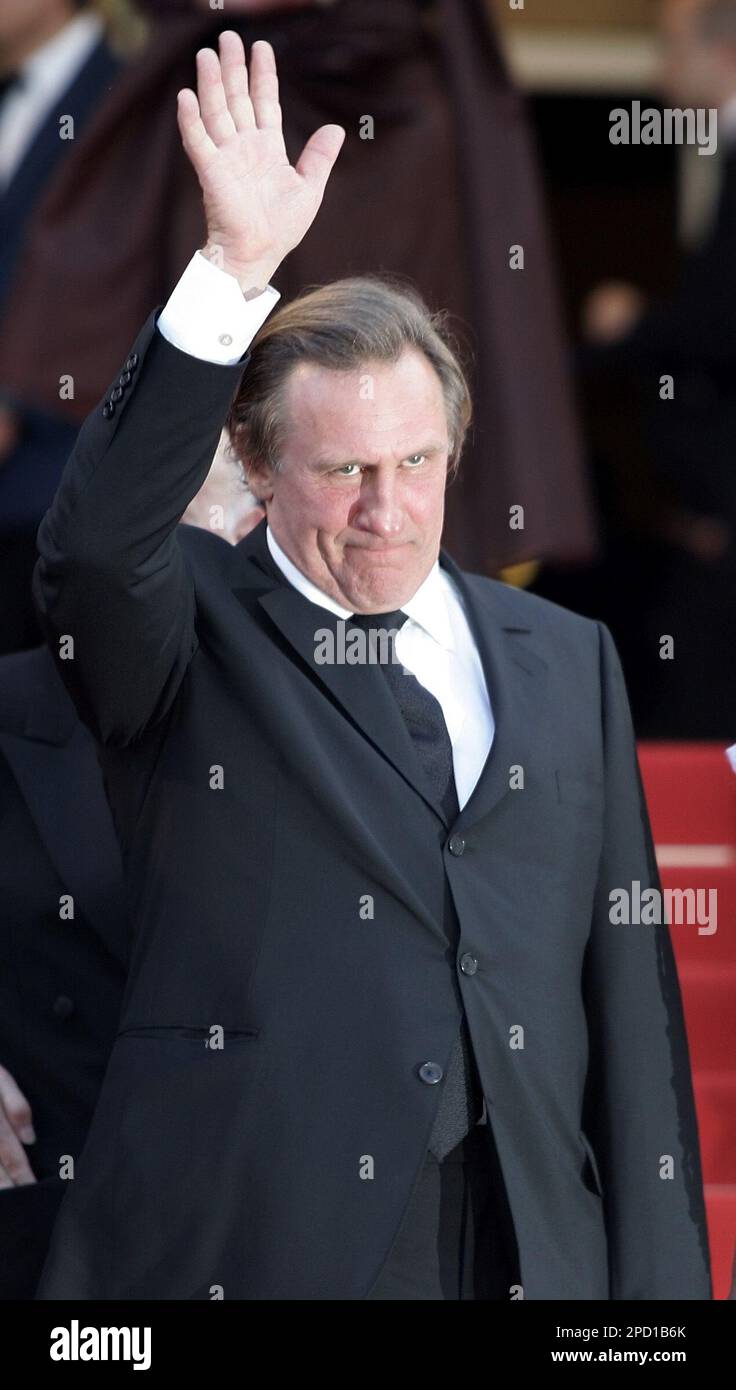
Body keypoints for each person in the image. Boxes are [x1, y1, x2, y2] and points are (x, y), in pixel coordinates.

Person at [33, 34, 710, 1300]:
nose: (383, 510)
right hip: (256, 1247)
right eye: (341, 471)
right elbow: (94, 554)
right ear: (260, 463)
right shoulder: (185, 634)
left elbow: (632, 1027)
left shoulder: (568, 660)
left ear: (457, 450)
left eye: (414, 465)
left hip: (522, 1251)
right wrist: (232, 272)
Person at [0, 439, 263, 1299]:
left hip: (268, 1225)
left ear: (250, 533)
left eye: (162, 529)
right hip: (55, 1224)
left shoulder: (318, 727)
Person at [583, 0, 736, 738]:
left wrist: (635, 326)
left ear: (726, 51)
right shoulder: (718, 153)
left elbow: (720, 322)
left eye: (673, 47)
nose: (660, 69)